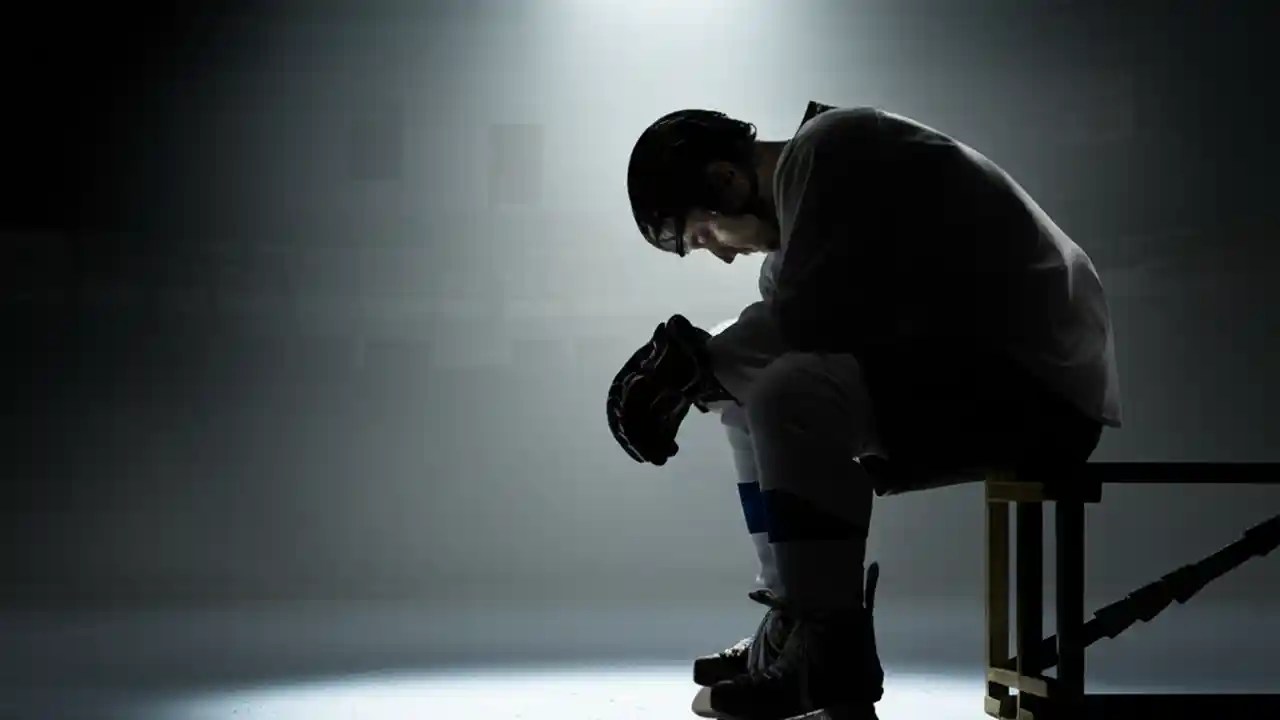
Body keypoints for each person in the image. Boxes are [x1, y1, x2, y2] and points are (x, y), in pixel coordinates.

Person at [605, 101, 1122, 720]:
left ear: (726, 180)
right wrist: (699, 374)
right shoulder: (799, 228)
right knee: (754, 397)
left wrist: (691, 369)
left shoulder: (833, 147)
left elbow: (807, 321)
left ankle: (828, 650)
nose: (719, 254)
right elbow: (794, 322)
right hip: (987, 369)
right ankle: (797, 622)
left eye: (704, 233)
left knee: (786, 394)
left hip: (1041, 384)